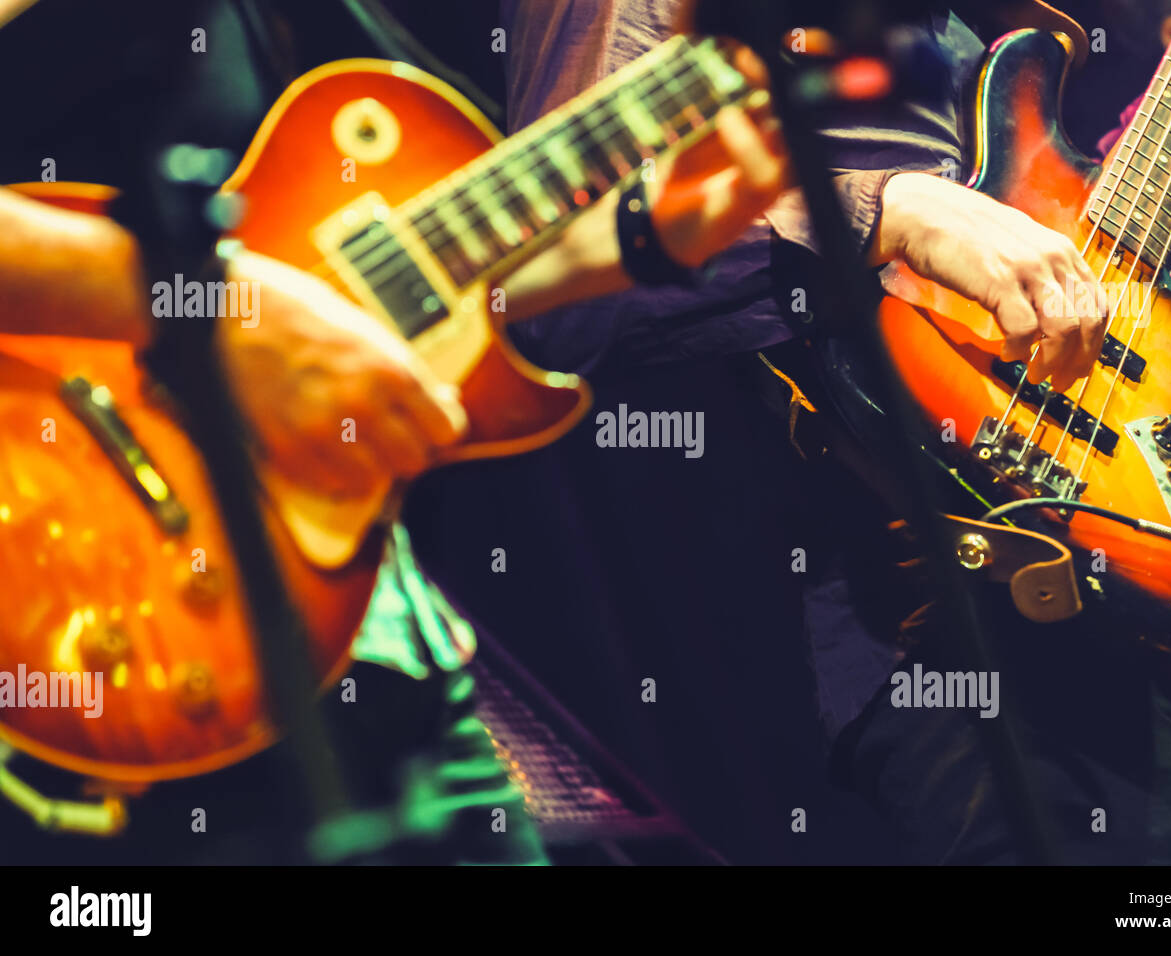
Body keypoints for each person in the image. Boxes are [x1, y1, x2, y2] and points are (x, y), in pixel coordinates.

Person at [428, 0, 1171, 863]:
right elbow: (550, 283)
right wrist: (891, 213)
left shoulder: (965, 36)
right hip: (958, 619)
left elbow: (1101, 263)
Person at [0, 0, 787, 864]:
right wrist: (220, 313)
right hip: (81, 621)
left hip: (375, 653)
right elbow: (262, 313)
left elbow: (378, 283)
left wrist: (641, 234)